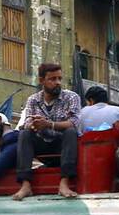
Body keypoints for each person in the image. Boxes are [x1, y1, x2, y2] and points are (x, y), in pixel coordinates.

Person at [13, 62, 80, 201]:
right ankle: (25, 185)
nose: (57, 82)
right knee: (24, 133)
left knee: (71, 132)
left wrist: (48, 124)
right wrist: (34, 124)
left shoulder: (71, 97)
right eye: (52, 79)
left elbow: (73, 122)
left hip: (62, 147)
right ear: (42, 80)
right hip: (42, 146)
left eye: (59, 79)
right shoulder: (33, 100)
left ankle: (64, 183)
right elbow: (26, 123)